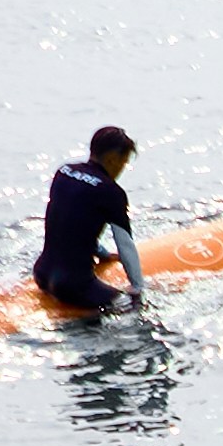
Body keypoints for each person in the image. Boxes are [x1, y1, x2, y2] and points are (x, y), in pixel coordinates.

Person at [33, 125, 146, 318]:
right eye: (123, 162)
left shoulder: (64, 172)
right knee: (131, 307)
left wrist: (102, 254)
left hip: (41, 274)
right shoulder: (111, 192)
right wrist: (138, 289)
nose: (122, 169)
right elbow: (125, 245)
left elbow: (71, 221)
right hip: (74, 287)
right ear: (112, 158)